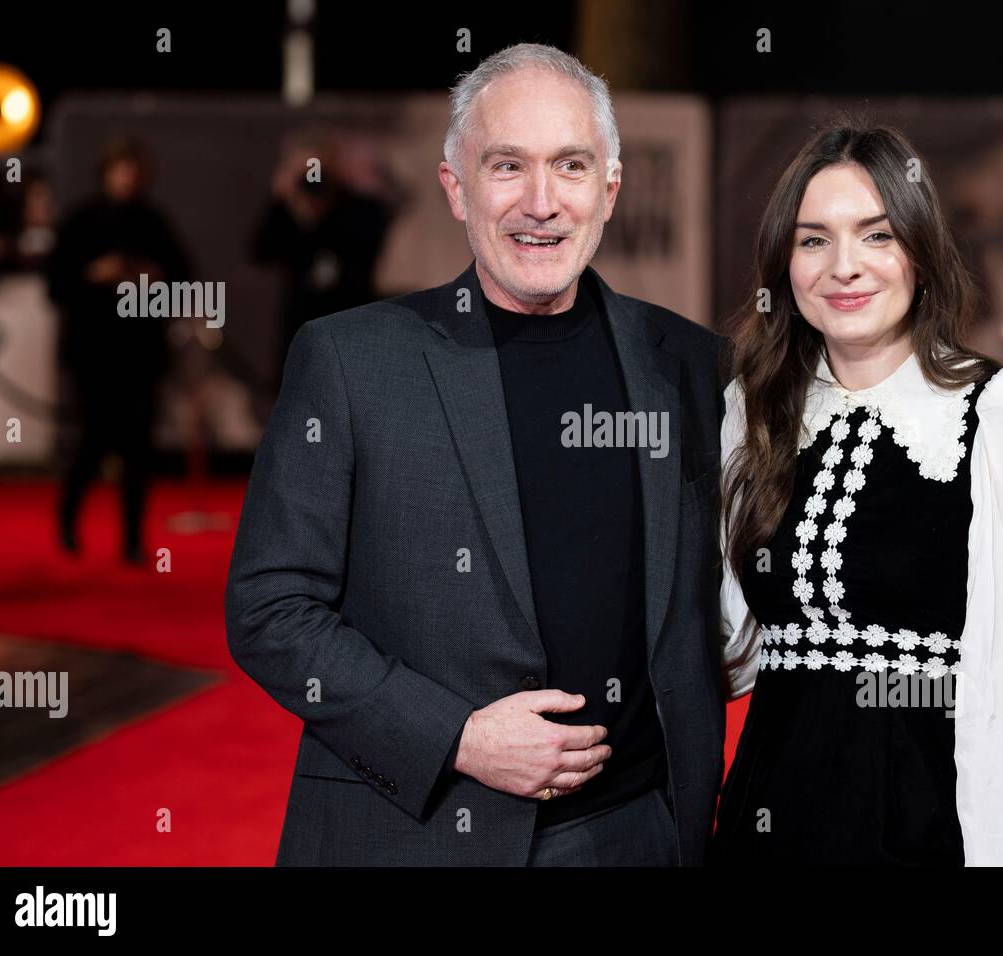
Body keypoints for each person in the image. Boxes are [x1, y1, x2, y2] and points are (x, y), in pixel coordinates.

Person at [225, 43, 728, 866]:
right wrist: (455, 736)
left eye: (570, 165)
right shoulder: (351, 362)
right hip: (417, 835)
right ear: (456, 188)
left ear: (609, 189)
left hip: (638, 834)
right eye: (507, 166)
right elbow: (269, 608)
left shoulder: (692, 367)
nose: (542, 202)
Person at [709, 121, 1003, 866]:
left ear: (921, 252)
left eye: (877, 235)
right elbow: (725, 646)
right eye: (814, 240)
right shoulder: (755, 411)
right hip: (768, 824)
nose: (844, 267)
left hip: (927, 826)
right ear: (784, 265)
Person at [47, 138, 189, 565]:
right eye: (121, 169)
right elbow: (55, 285)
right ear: (106, 172)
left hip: (140, 353)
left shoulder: (154, 223)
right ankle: (68, 522)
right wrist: (94, 274)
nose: (127, 179)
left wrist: (153, 277)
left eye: (134, 171)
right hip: (93, 352)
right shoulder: (80, 221)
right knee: (91, 442)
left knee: (138, 449)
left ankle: (132, 539)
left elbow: (184, 280)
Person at [250, 130, 391, 396]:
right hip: (301, 340)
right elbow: (260, 252)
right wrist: (283, 201)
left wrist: (318, 210)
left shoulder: (362, 210)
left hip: (351, 336)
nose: (313, 177)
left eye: (318, 167)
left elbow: (361, 249)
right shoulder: (289, 213)